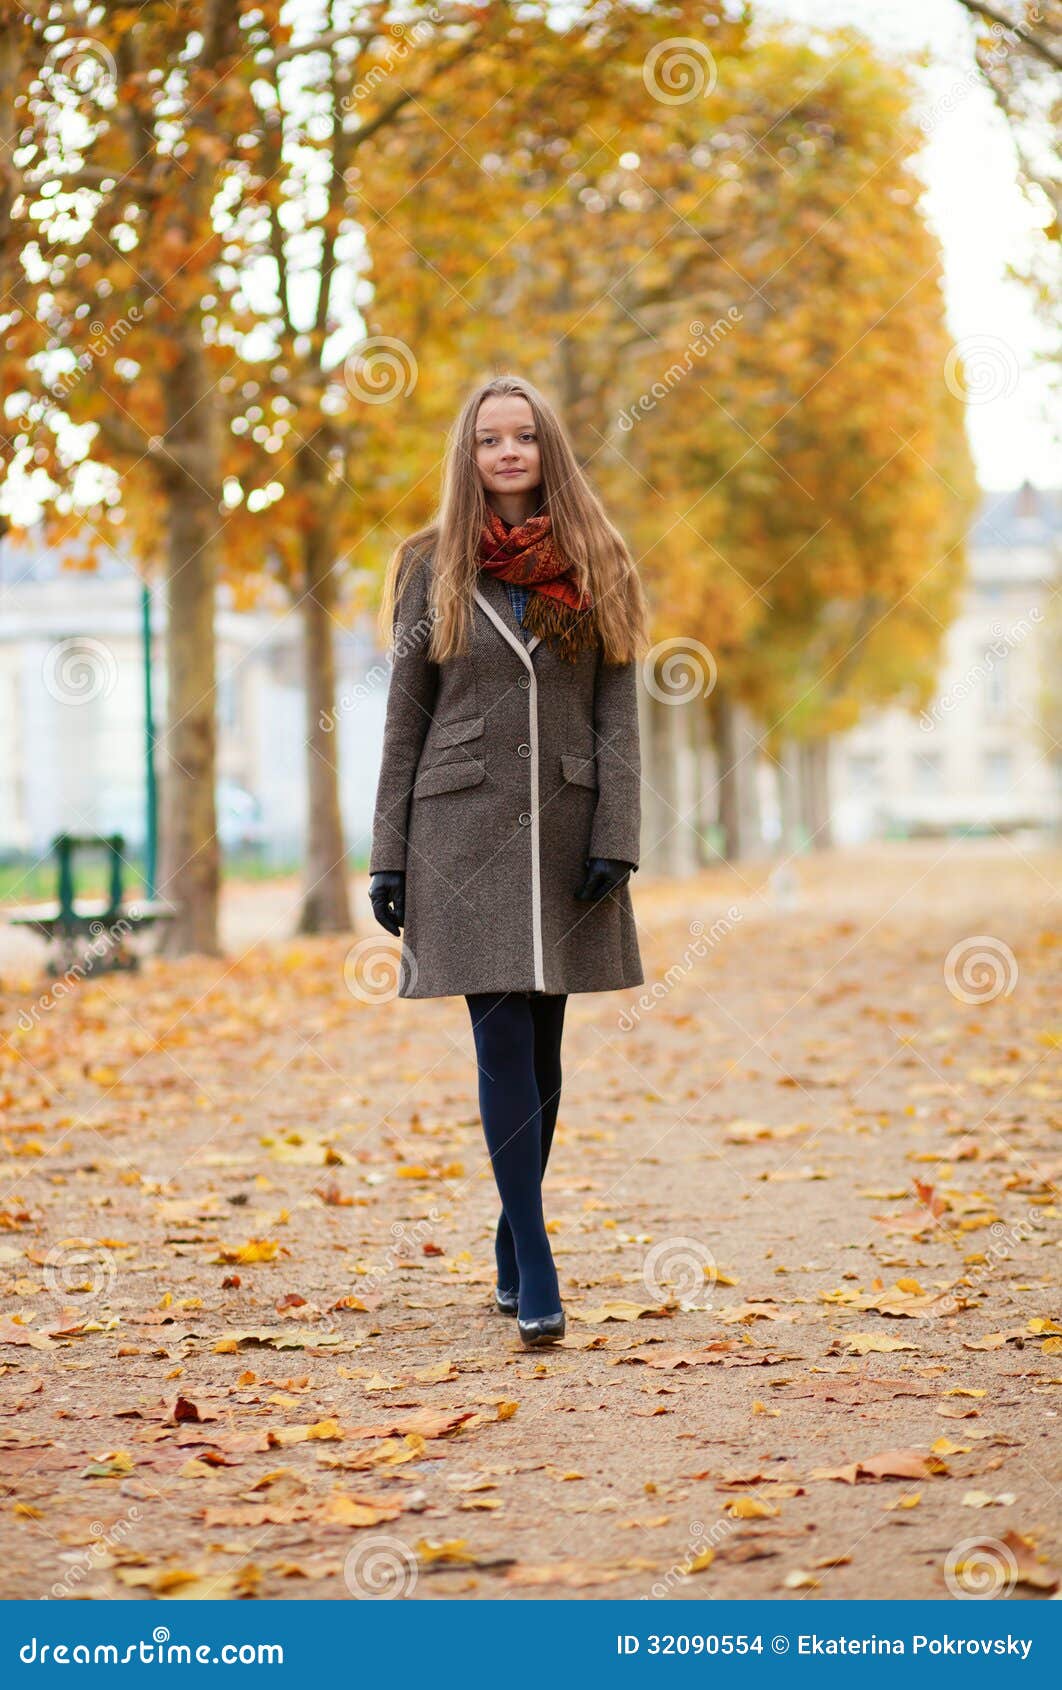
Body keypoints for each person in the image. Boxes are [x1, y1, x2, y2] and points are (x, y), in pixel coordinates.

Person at [367, 374, 649, 1348]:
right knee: (500, 1041)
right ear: (470, 455)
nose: (508, 453)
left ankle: (505, 1230)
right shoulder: (427, 565)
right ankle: (536, 1258)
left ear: (547, 449)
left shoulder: (598, 558)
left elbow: (619, 709)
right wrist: (388, 856)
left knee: (547, 1051)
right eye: (490, 439)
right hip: (461, 836)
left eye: (524, 436)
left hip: (569, 827)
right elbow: (405, 713)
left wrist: (618, 834)